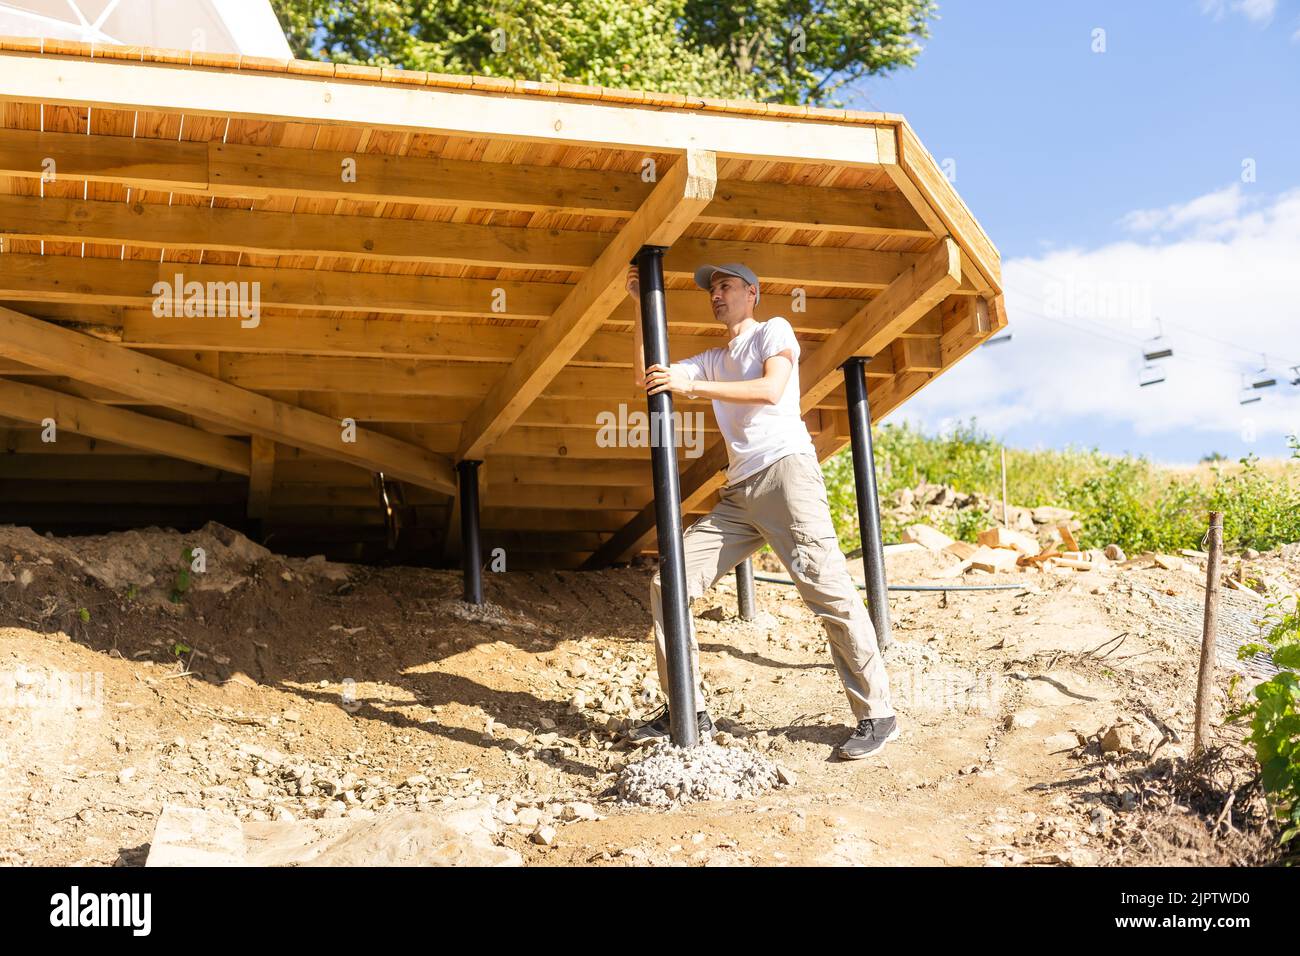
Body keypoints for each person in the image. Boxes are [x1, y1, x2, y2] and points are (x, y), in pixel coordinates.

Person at [624, 261, 898, 759]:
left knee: (828, 592)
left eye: (727, 286)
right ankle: (687, 707)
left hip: (786, 474)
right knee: (669, 583)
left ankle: (877, 713)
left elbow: (771, 390)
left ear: (752, 293)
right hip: (740, 493)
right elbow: (652, 377)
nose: (717, 294)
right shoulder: (711, 358)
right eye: (713, 289)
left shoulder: (773, 329)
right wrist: (639, 306)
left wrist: (692, 388)